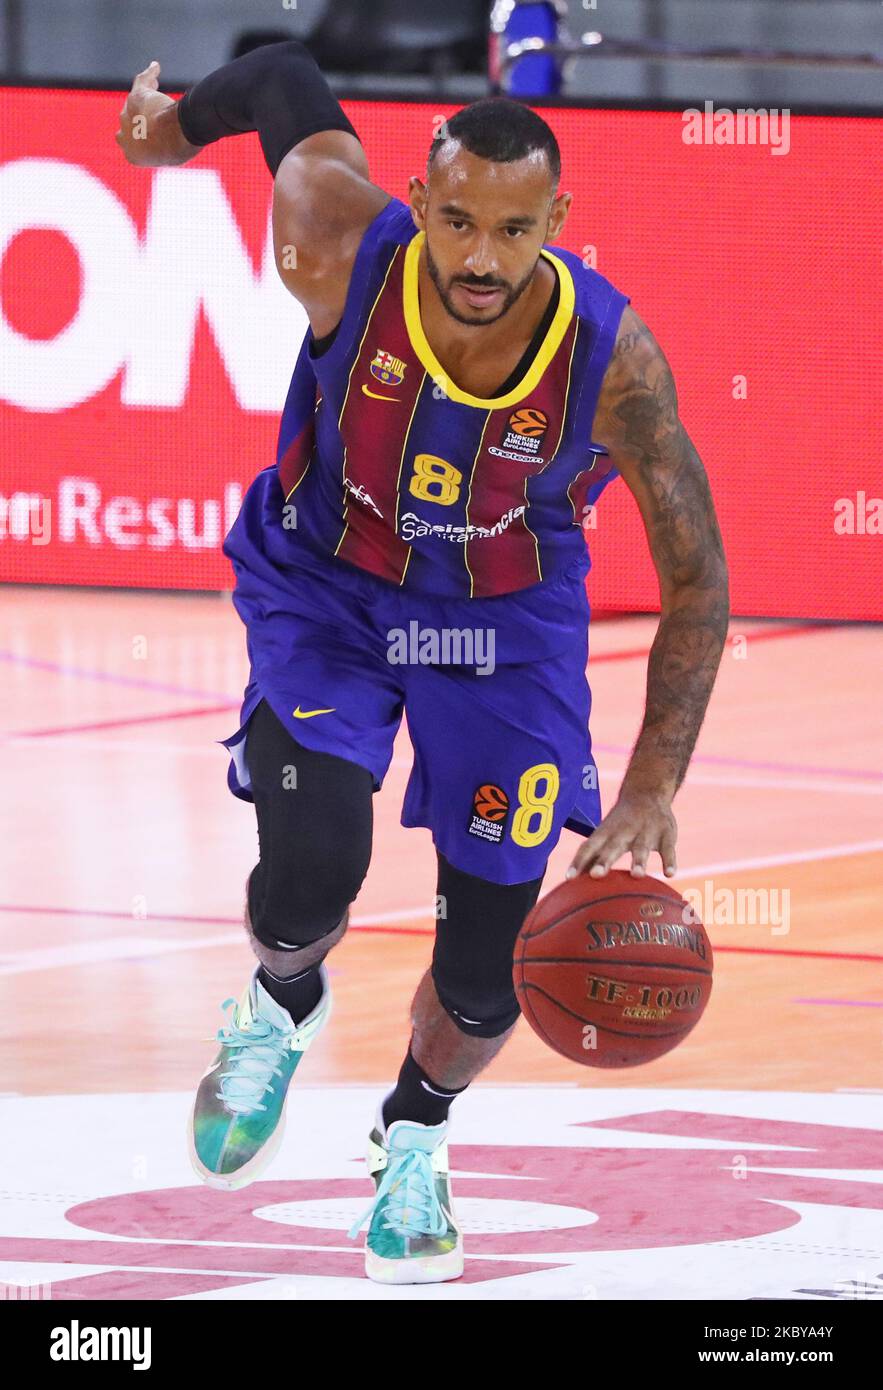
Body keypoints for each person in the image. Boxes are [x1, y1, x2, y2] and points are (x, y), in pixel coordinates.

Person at [116, 41, 729, 1285]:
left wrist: (654, 785)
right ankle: (279, 1003)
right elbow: (284, 80)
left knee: (489, 976)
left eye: (512, 229)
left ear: (559, 222)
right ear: (422, 199)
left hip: (501, 633)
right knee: (309, 875)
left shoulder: (614, 365)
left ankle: (413, 1133)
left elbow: (700, 585)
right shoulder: (336, 241)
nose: (481, 259)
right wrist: (169, 136)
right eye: (456, 220)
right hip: (327, 591)